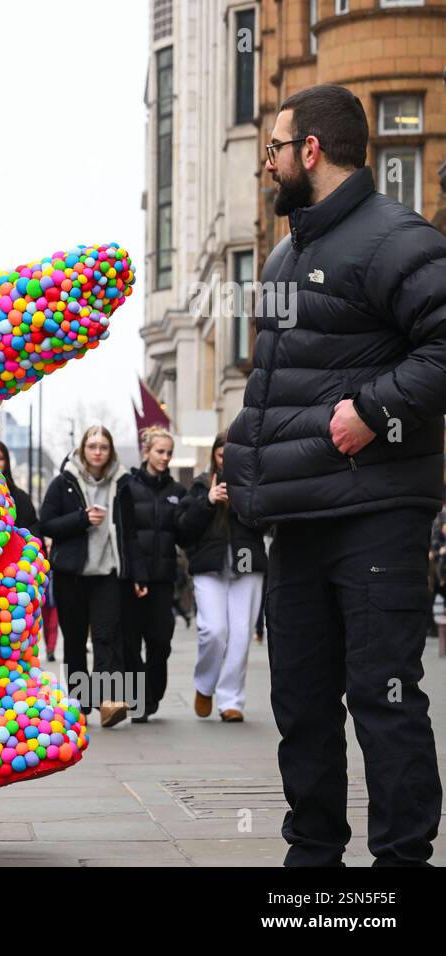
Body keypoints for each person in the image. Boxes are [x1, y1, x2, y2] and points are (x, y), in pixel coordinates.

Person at [223, 84, 446, 866]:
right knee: (301, 704)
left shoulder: (397, 239)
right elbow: (275, 383)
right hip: (301, 519)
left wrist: (372, 410)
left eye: (276, 150)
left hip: (379, 509)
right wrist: (240, 462)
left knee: (382, 698)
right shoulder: (288, 253)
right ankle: (312, 865)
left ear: (310, 151)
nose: (269, 166)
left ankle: (400, 867)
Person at [39, 425, 131, 727]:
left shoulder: (123, 482)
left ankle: (107, 701)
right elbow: (46, 524)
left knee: (106, 636)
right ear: (82, 449)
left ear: (110, 451)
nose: (97, 452)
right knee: (75, 640)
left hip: (108, 573)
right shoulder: (63, 482)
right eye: (92, 446)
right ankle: (80, 703)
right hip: (72, 574)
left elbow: (132, 531)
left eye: (103, 447)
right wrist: (82, 519)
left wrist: (136, 573)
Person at [178, 433, 266, 722]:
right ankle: (205, 685)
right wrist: (208, 501)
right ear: (213, 456)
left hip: (247, 565)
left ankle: (231, 700)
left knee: (240, 635)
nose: (226, 461)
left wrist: (247, 498)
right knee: (214, 631)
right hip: (210, 567)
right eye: (220, 455)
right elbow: (183, 531)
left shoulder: (255, 481)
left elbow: (268, 524)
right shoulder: (200, 485)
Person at [116, 426, 186, 723]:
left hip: (163, 579)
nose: (165, 457)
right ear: (146, 452)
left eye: (169, 452)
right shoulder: (127, 487)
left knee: (161, 640)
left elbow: (185, 532)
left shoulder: (176, 492)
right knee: (130, 642)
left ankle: (153, 692)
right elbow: (125, 533)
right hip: (133, 578)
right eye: (160, 451)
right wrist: (135, 574)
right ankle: (139, 700)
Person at [0, 440, 56, 660]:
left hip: (12, 584)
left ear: (7, 463)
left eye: (0, 457)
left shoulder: (20, 499)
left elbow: (34, 536)